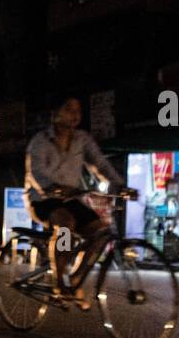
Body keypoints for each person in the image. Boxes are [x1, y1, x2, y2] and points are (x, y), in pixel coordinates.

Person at [24, 96, 125, 309]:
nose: (75, 115)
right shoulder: (40, 141)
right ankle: (58, 282)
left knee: (101, 232)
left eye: (78, 111)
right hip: (42, 200)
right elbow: (35, 173)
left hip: (71, 199)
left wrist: (119, 185)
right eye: (69, 109)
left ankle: (76, 278)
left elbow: (100, 164)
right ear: (55, 113)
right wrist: (53, 187)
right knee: (66, 227)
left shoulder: (82, 139)